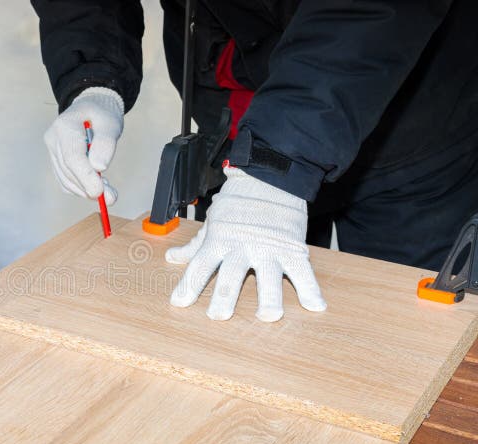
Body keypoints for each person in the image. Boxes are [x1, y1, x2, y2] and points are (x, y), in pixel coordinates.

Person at [31, 0, 478, 322]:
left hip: (410, 115)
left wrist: (277, 162)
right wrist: (93, 77)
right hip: (235, 110)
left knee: (411, 339)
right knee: (240, 331)